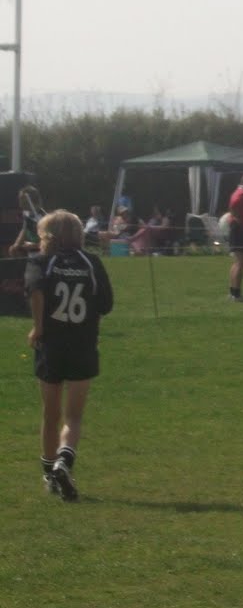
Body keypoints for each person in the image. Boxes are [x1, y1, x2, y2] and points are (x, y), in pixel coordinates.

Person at [27, 211, 114, 502]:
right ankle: (64, 461)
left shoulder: (42, 261)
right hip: (83, 345)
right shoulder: (91, 262)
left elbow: (35, 290)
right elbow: (105, 304)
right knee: (73, 416)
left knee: (50, 414)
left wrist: (38, 327)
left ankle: (49, 472)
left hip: (51, 346)